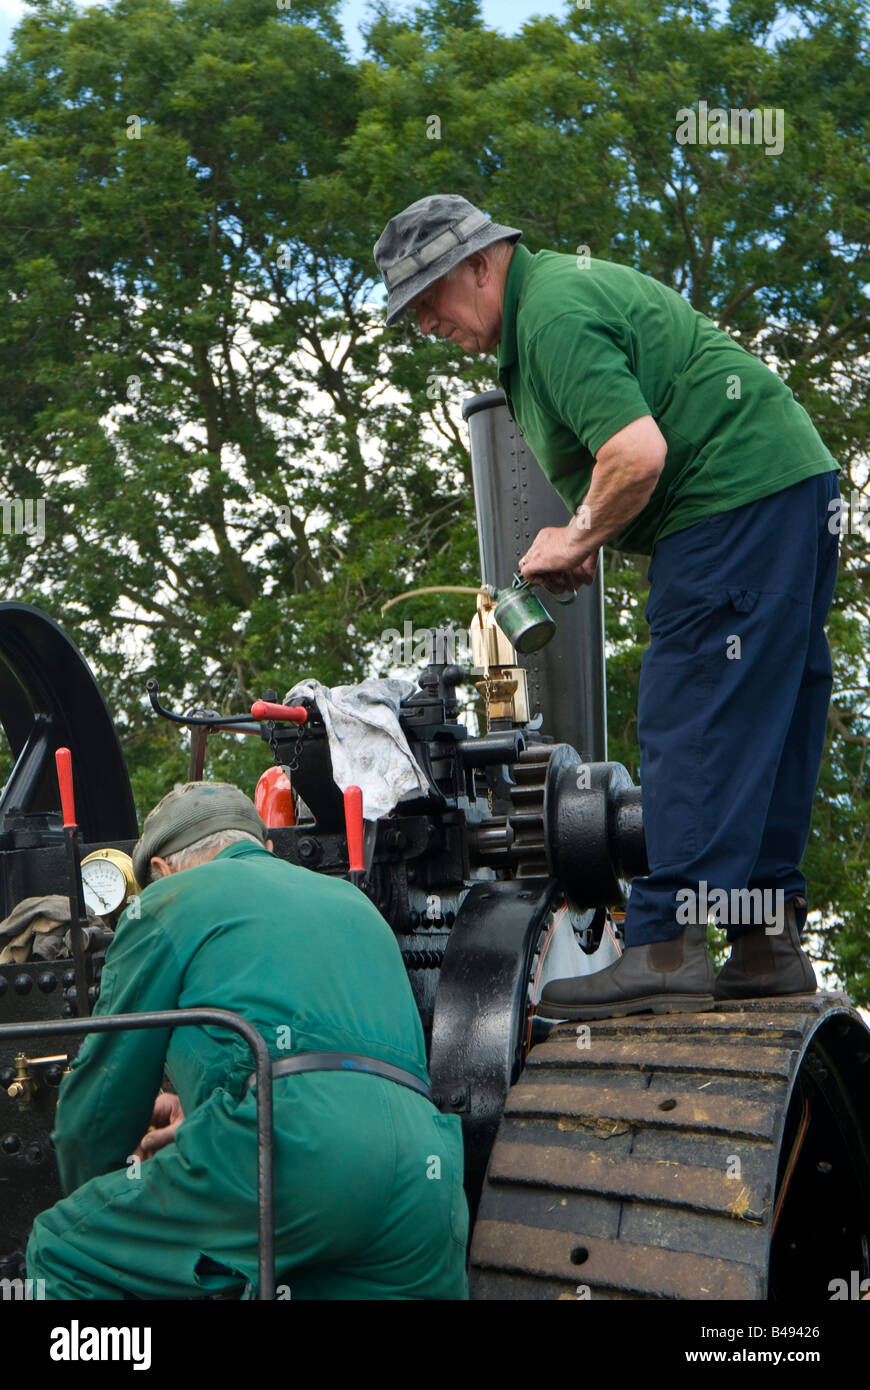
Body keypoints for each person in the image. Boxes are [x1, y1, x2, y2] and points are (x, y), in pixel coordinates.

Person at [374, 193, 837, 1020]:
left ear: (480, 265)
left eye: (427, 301)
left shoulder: (549, 316)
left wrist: (579, 532)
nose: (424, 325)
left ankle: (664, 946)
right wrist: (588, 534)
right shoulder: (550, 306)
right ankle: (764, 941)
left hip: (729, 504)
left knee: (692, 709)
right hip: (788, 490)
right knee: (768, 713)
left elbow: (636, 450)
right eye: (409, 314)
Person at [26, 781, 469, 1299]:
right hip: (424, 1175)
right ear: (260, 845)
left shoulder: (169, 899)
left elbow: (102, 1105)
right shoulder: (353, 902)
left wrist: (99, 1196)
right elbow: (331, 1059)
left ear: (162, 871)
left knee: (62, 1251)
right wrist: (206, 1113)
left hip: (293, 1157)